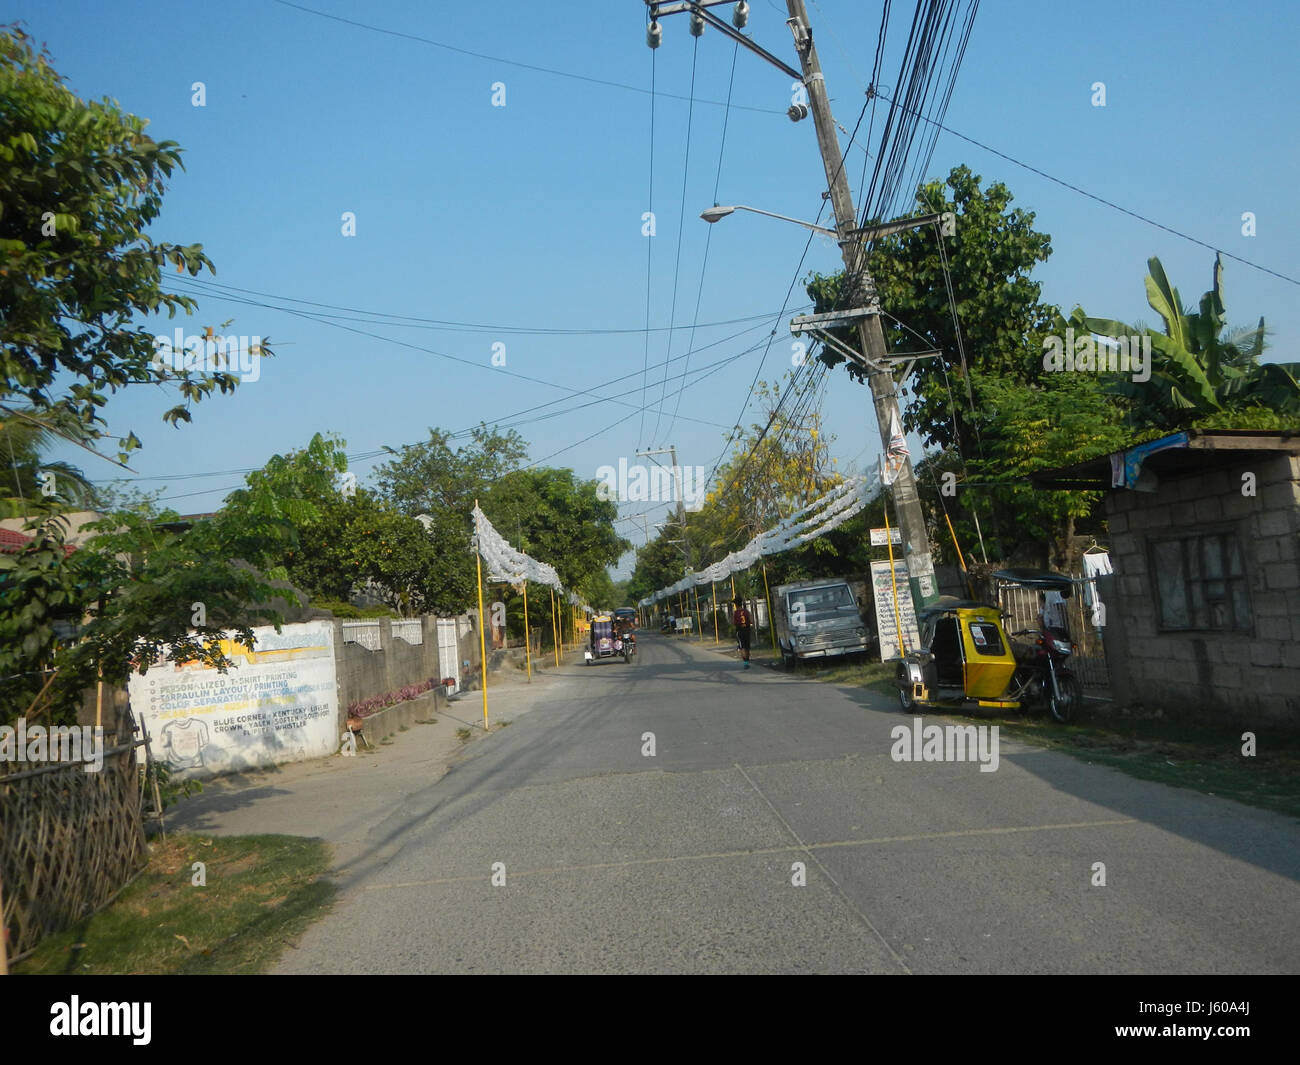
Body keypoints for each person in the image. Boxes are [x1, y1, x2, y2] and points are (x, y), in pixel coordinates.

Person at [732, 597, 753, 669]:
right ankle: (747, 661)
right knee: (747, 647)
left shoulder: (735, 613)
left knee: (741, 647)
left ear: (736, 604)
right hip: (747, 630)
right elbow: (751, 620)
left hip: (739, 631)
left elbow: (734, 623)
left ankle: (746, 662)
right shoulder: (746, 611)